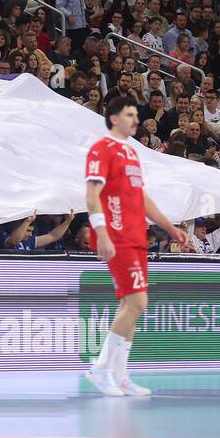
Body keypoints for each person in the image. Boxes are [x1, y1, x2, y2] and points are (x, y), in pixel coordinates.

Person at [84, 96, 188, 397]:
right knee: (138, 302)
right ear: (114, 118)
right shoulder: (102, 148)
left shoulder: (131, 153)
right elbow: (92, 195)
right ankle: (100, 369)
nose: (136, 120)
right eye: (130, 115)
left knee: (130, 305)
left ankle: (120, 374)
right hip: (116, 234)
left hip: (136, 234)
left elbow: (141, 198)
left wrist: (169, 226)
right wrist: (101, 231)